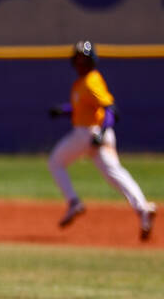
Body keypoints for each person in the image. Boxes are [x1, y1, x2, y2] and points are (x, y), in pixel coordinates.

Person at [48, 40, 156, 240]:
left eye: (84, 59)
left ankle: (74, 202)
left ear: (92, 61)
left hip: (89, 134)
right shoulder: (81, 83)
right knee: (114, 174)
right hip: (91, 135)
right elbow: (83, 108)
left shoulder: (91, 82)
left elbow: (111, 109)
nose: (81, 62)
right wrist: (63, 110)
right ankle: (142, 209)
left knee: (55, 162)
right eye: (78, 59)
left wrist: (101, 131)